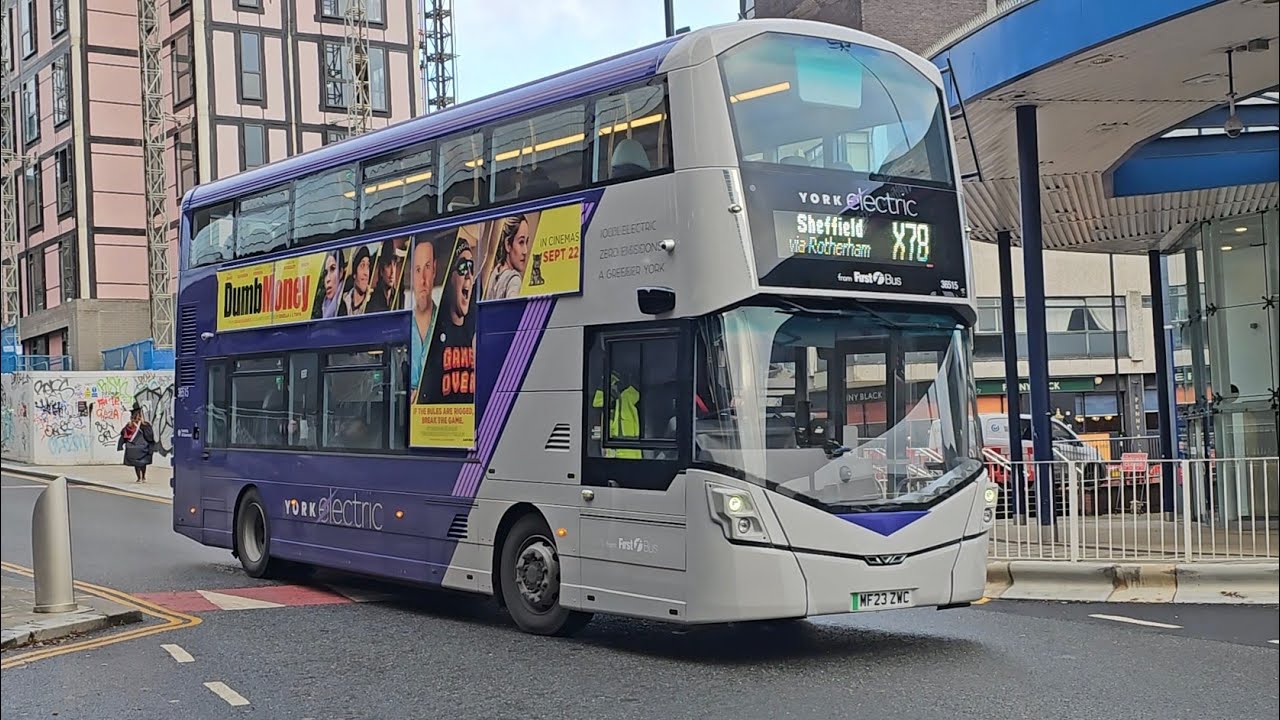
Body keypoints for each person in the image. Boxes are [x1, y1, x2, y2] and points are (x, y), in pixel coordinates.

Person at [417, 236, 476, 405]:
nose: (469, 276)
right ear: (450, 277)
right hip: (439, 421)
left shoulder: (472, 319)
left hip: (466, 423)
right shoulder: (434, 325)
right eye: (463, 267)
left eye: (472, 268)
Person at [410, 235, 438, 391]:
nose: (423, 280)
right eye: (418, 270)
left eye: (427, 268)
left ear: (434, 270)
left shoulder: (444, 322)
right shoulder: (403, 327)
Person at [484, 214, 530, 301]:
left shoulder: (496, 271)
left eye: (526, 242)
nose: (525, 251)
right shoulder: (514, 280)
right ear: (508, 244)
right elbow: (512, 311)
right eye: (521, 242)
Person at [364, 237, 409, 313]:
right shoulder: (374, 300)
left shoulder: (399, 297)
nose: (392, 272)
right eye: (388, 265)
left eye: (394, 265)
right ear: (381, 271)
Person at [117, 406, 156, 482]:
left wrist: (120, 445)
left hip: (133, 448)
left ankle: (139, 478)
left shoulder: (130, 425)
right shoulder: (144, 425)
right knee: (142, 463)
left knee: (137, 464)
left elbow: (124, 436)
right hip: (143, 448)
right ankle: (143, 477)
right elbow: (150, 437)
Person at [311, 249, 346, 319]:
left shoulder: (346, 304)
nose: (328, 279)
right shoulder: (322, 306)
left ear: (341, 272)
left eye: (332, 269)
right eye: (325, 273)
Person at [340, 245, 374, 316]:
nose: (366, 273)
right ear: (354, 274)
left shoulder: (373, 302)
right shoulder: (341, 303)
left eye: (368, 266)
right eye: (362, 266)